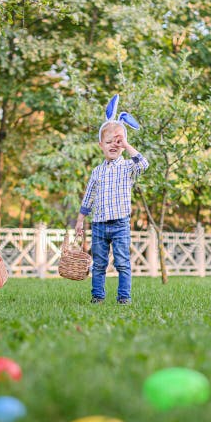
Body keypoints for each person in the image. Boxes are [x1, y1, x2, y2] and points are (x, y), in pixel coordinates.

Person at [75, 95, 149, 305]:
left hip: (120, 224)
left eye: (117, 142)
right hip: (98, 225)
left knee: (123, 263)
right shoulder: (97, 171)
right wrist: (80, 220)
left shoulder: (127, 167)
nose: (113, 146)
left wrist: (127, 143)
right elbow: (88, 197)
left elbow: (143, 164)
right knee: (98, 263)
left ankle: (123, 297)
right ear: (101, 145)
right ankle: (97, 296)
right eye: (109, 142)